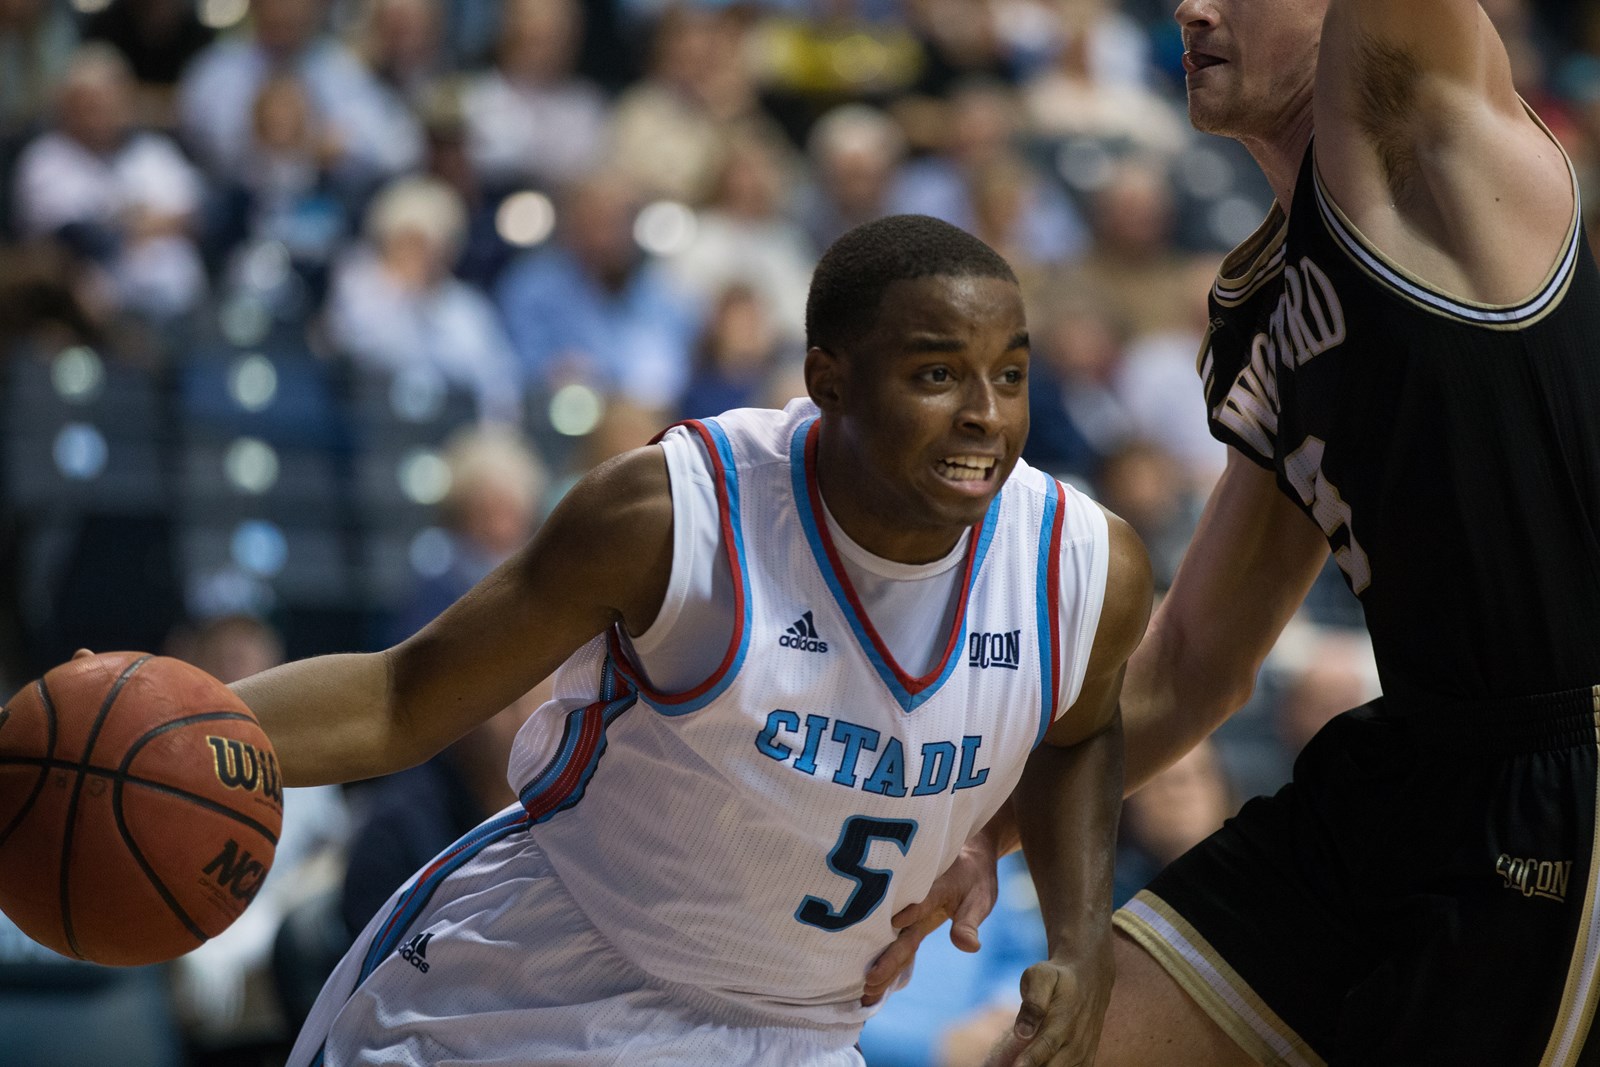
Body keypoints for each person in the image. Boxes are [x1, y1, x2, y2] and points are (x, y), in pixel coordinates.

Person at [190, 214, 1153, 1065]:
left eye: (1012, 374)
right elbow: (400, 699)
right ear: (831, 380)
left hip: (800, 1036)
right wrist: (156, 730)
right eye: (937, 373)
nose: (986, 412)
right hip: (536, 990)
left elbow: (1080, 734)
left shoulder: (1080, 566)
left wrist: (1079, 941)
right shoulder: (672, 513)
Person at [886, 1, 1600, 1064]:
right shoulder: (1259, 305)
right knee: (1053, 1046)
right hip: (1405, 766)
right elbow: (1187, 664)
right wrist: (984, 824)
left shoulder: (1434, 135)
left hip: (1562, 775)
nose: (1191, 9)